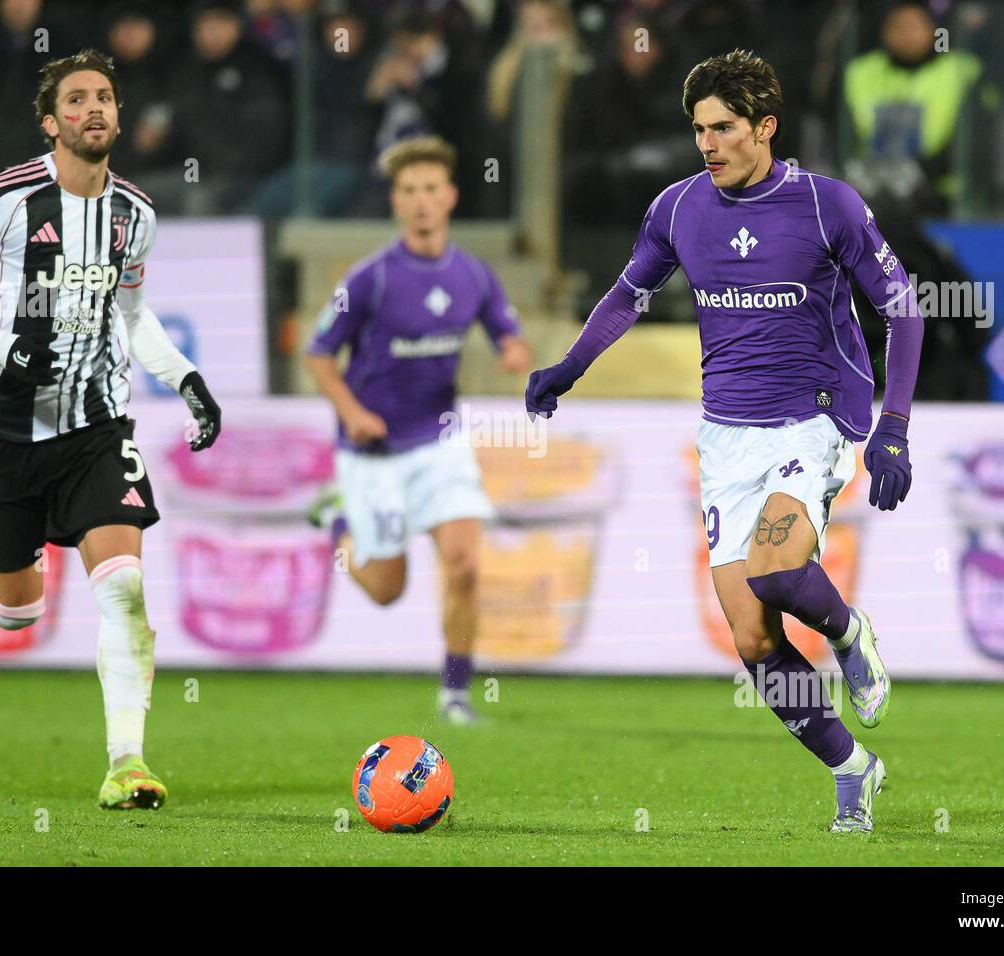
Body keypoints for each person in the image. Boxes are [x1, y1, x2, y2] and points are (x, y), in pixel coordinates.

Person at [525, 50, 923, 832]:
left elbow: (904, 308)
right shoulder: (678, 209)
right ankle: (853, 768)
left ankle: (848, 631)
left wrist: (895, 427)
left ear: (764, 128)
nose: (708, 143)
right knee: (750, 635)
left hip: (812, 418)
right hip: (726, 436)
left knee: (778, 569)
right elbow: (628, 295)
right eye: (699, 129)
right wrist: (570, 366)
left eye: (725, 128)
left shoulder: (825, 205)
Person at [0, 49, 223, 811]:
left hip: (95, 429)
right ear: (50, 123)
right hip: (1, 431)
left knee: (125, 591)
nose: (94, 109)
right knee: (17, 610)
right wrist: (3, 348)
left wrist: (186, 379)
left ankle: (127, 762)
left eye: (106, 97)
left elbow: (132, 317)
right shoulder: (3, 197)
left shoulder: (135, 214)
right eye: (76, 100)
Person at [305, 135, 532, 725]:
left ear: (451, 195)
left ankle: (455, 694)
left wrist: (514, 351)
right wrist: (353, 413)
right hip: (373, 451)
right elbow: (318, 354)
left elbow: (510, 332)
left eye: (431, 188)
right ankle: (337, 520)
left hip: (440, 443)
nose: (422, 201)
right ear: (396, 201)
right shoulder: (369, 279)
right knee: (386, 590)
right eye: (409, 191)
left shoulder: (474, 276)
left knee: (464, 564)